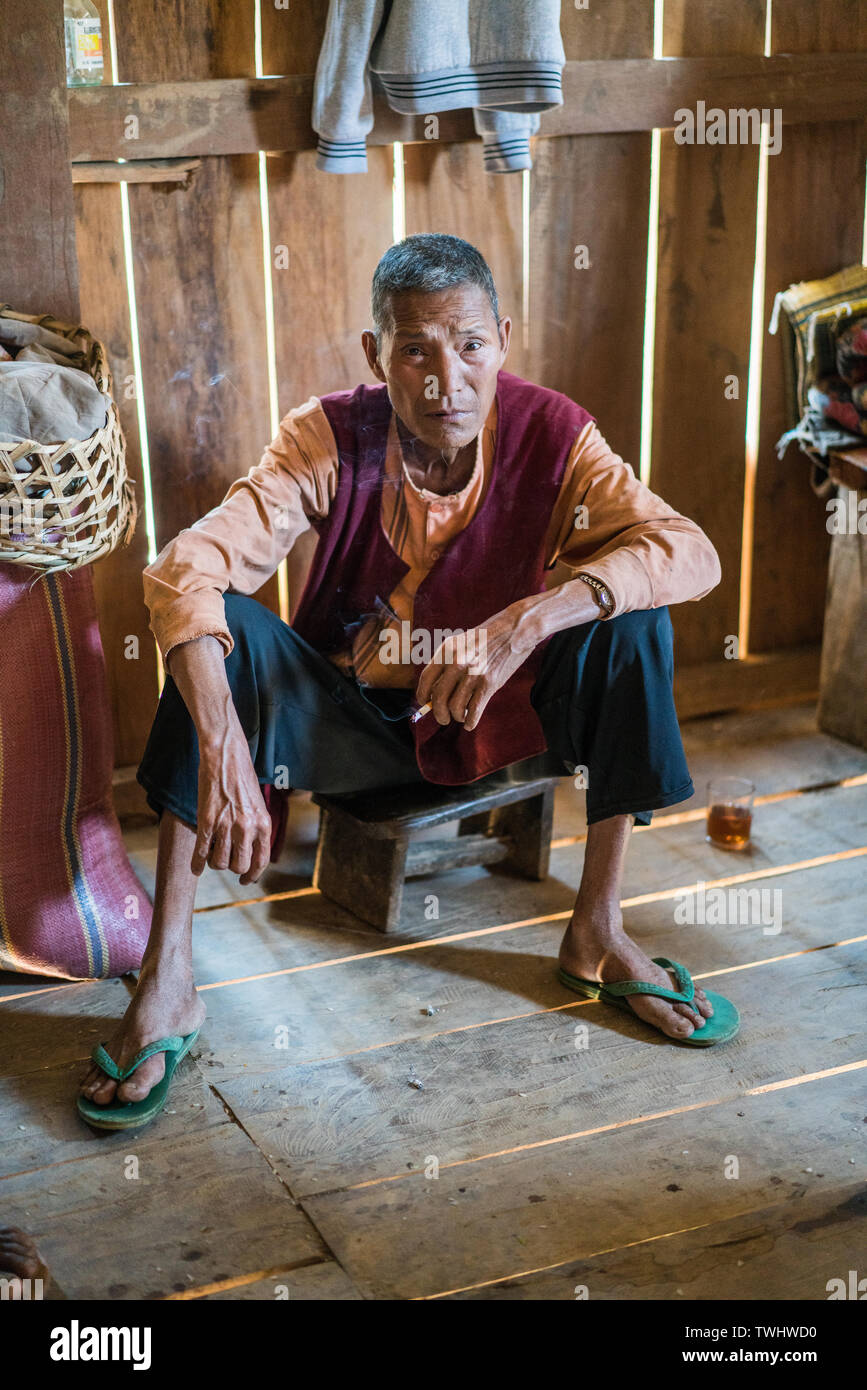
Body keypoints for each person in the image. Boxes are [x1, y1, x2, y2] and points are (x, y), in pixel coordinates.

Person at [79, 233, 738, 1126]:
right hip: (347, 728)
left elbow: (688, 550)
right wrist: (225, 748)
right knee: (218, 625)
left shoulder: (554, 433)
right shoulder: (328, 436)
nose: (445, 379)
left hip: (492, 718)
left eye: (469, 345)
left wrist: (533, 615)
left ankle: (599, 931)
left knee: (632, 613)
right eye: (415, 349)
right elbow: (183, 569)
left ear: (502, 339)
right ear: (374, 354)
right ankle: (169, 977)